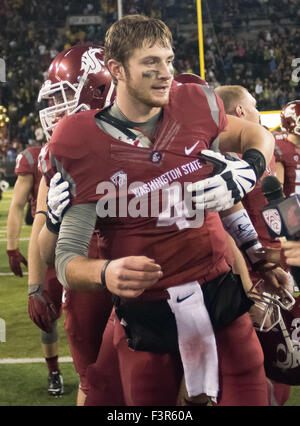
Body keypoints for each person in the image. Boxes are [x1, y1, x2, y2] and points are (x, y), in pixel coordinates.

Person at [40, 14, 276, 406]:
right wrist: (104, 271)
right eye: (150, 63)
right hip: (148, 312)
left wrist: (249, 167)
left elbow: (256, 133)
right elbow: (66, 259)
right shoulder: (80, 139)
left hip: (220, 294)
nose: (165, 72)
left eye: (168, 60)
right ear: (117, 70)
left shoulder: (195, 103)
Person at [33, 43, 115, 405]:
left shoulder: (152, 130)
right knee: (93, 381)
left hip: (144, 262)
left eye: (64, 96)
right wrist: (37, 285)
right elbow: (42, 227)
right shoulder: (59, 151)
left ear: (98, 90)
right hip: (85, 270)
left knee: (158, 372)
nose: (55, 109)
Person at [215, 84, 292, 406]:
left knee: (282, 365)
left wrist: (288, 251)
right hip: (246, 270)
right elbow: (223, 226)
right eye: (255, 105)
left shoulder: (263, 151)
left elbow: (280, 206)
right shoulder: (225, 158)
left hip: (271, 264)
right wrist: (248, 282)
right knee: (247, 376)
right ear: (241, 112)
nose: (260, 111)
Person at [6, 143, 64, 396]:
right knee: (46, 313)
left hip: (91, 236)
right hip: (49, 238)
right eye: (53, 100)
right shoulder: (34, 156)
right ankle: (54, 371)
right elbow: (19, 205)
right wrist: (11, 245)